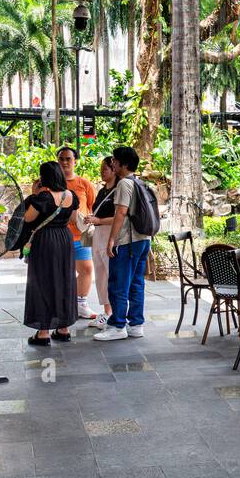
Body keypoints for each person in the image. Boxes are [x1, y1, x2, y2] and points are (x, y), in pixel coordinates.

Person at [93, 146, 151, 342]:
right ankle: (136, 324)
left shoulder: (124, 184)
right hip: (143, 240)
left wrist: (111, 240)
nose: (113, 164)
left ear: (124, 164)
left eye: (115, 161)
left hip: (127, 241)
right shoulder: (139, 182)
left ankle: (118, 325)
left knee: (118, 283)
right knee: (136, 283)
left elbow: (120, 213)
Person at [22, 161, 79, 346]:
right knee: (64, 280)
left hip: (45, 240)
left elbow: (28, 218)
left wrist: (34, 194)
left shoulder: (44, 197)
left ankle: (44, 332)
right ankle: (63, 329)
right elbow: (73, 219)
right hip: (64, 238)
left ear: (44, 177)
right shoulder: (71, 195)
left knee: (42, 282)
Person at [57, 146, 99, 321]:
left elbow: (92, 206)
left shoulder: (84, 184)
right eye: (62, 159)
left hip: (80, 237)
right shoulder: (53, 184)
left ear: (75, 161)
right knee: (61, 272)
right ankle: (61, 305)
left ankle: (81, 304)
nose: (65, 162)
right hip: (59, 237)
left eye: (69, 159)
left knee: (86, 269)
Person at [84, 155, 119, 327]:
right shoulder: (103, 190)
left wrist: (99, 221)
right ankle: (107, 311)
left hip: (110, 234)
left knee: (110, 273)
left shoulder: (120, 189)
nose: (101, 172)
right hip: (98, 234)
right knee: (100, 275)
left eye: (105, 169)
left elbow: (121, 217)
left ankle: (114, 313)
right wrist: (92, 219)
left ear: (115, 169)